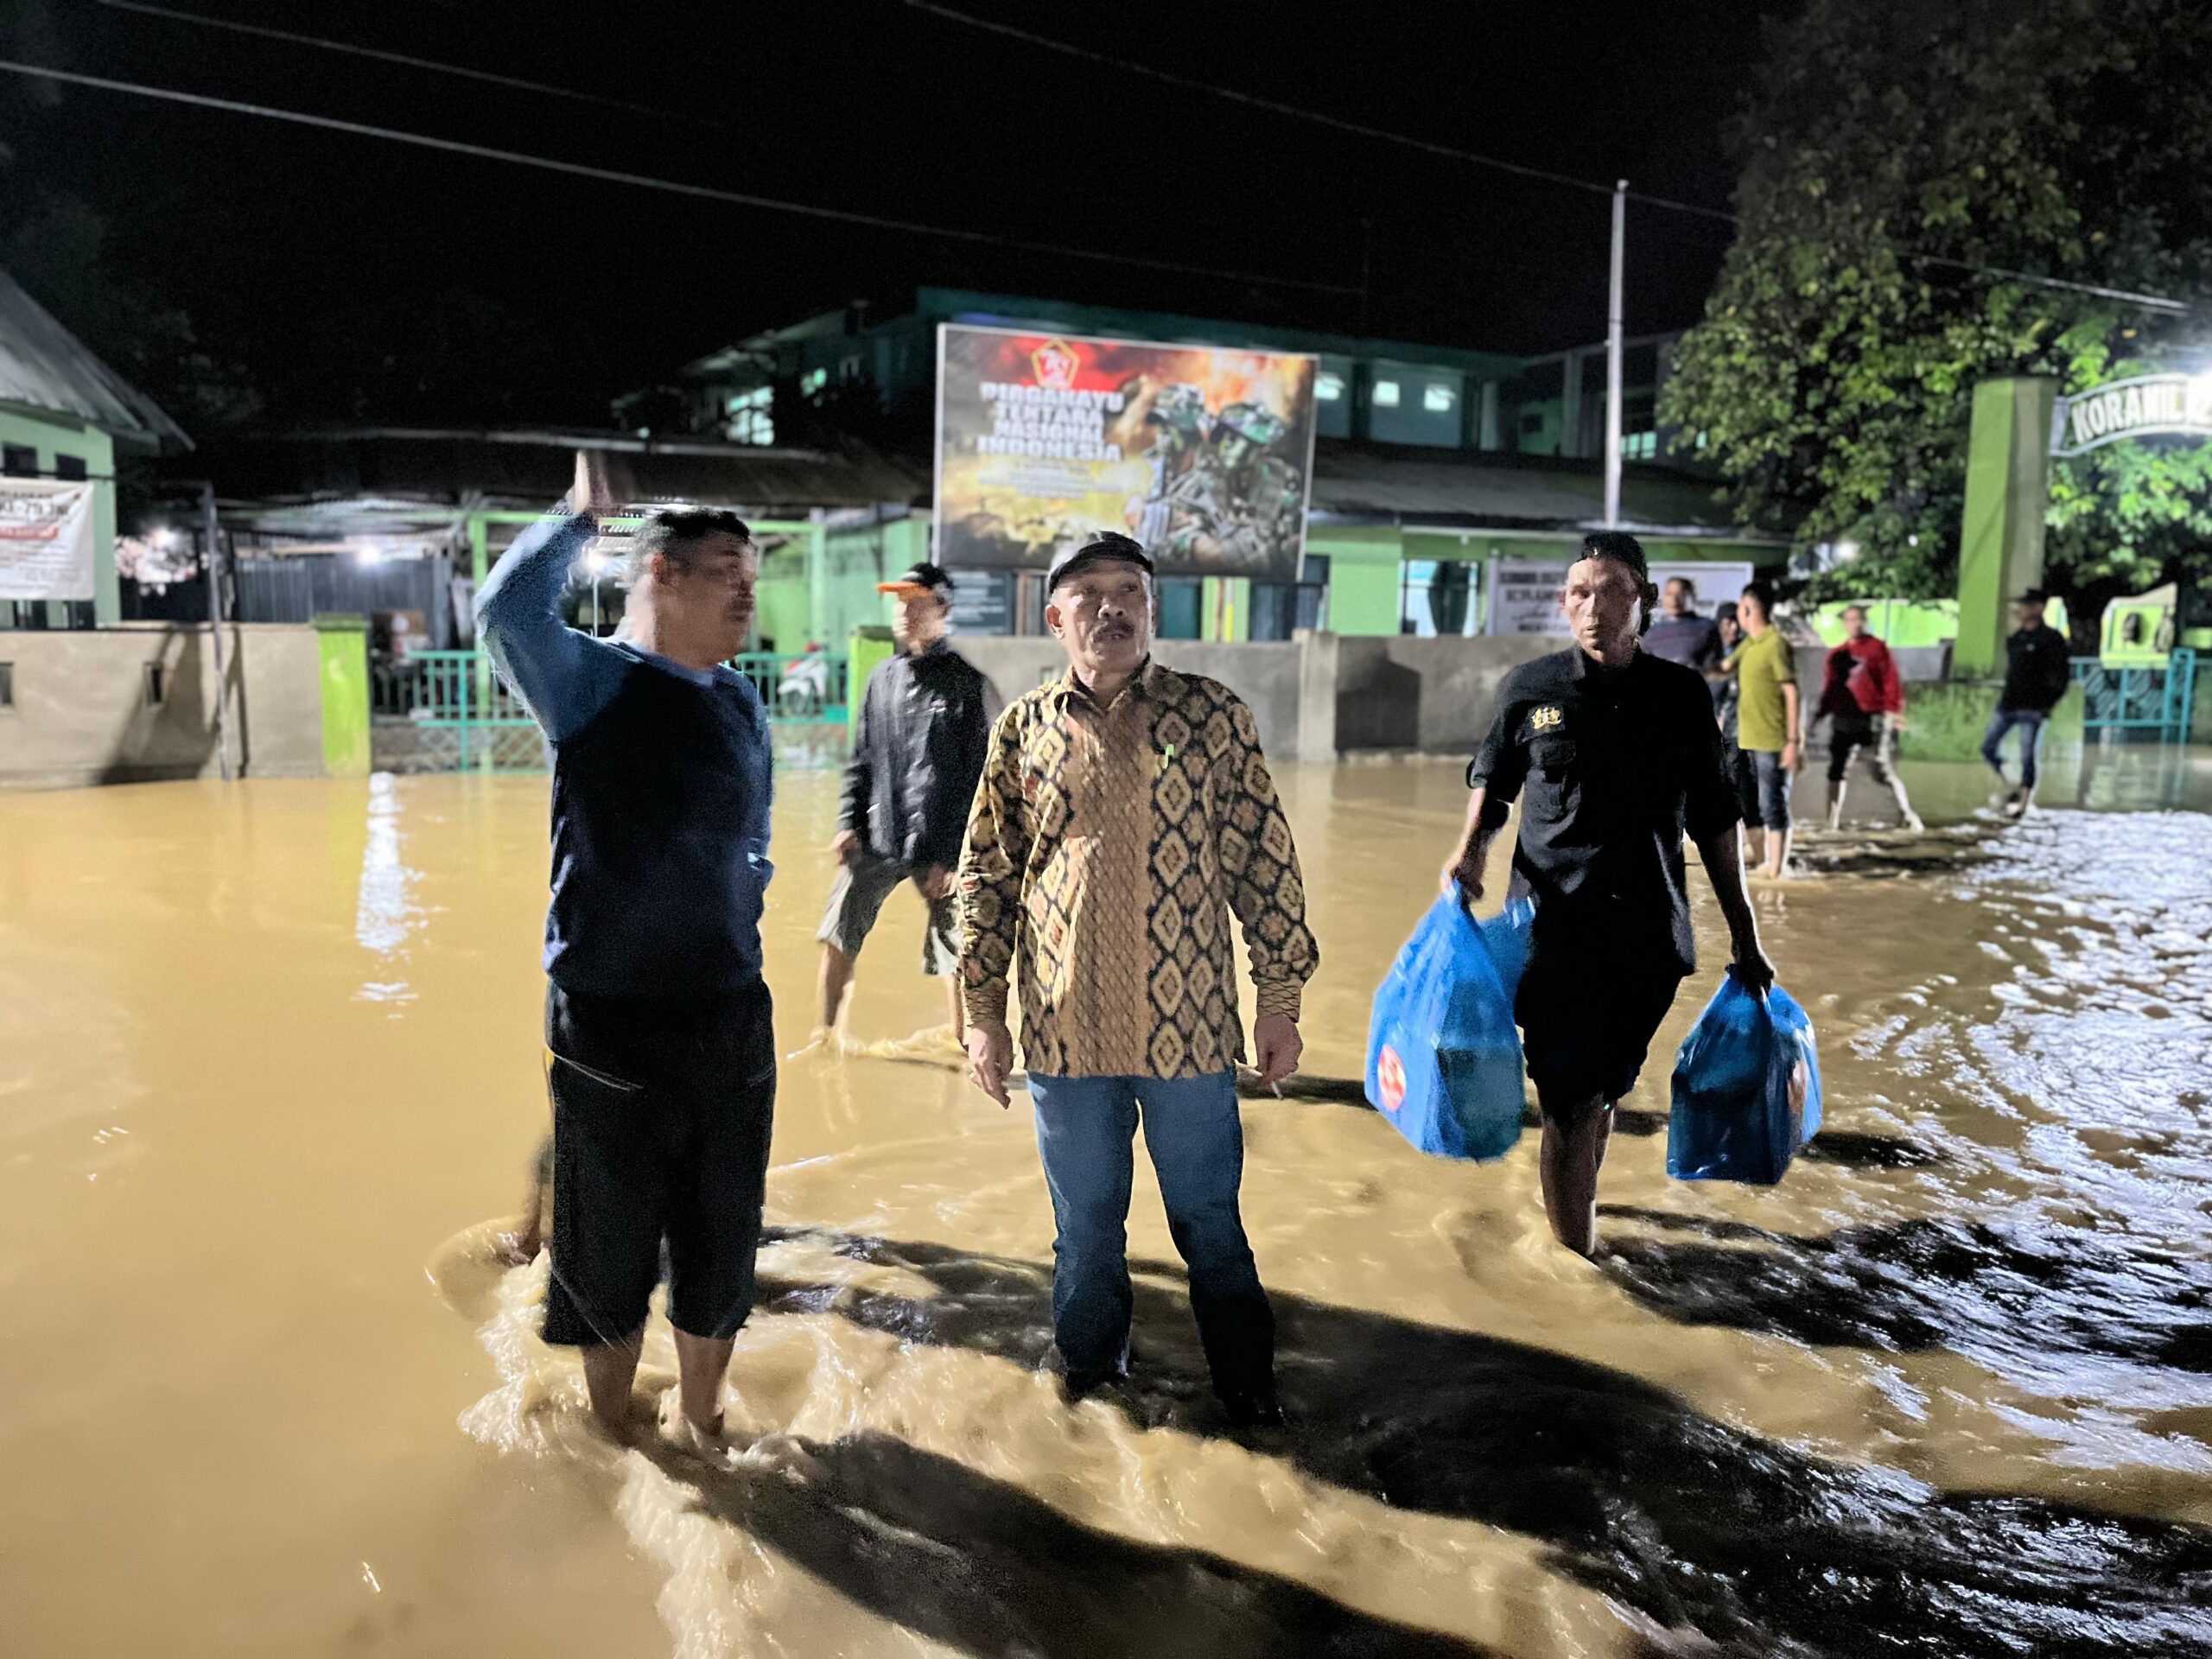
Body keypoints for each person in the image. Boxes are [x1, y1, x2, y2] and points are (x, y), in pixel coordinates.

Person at [959, 530, 1317, 1426]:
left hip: (1189, 1031)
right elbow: (987, 876)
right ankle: (1094, 1401)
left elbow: (1263, 863)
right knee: (1084, 1239)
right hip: (1063, 1034)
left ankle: (1247, 1393)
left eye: (1129, 591)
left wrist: (1278, 1001)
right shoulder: (1023, 730)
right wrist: (978, 1010)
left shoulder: (1213, 716)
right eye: (1089, 594)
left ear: (1152, 611)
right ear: (1054, 616)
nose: (1111, 608)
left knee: (1212, 1229)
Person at [475, 452, 776, 1447]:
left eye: (753, 574)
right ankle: (612, 1432)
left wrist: (741, 900)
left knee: (721, 1231)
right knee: (606, 1239)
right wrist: (574, 519)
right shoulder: (592, 681)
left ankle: (702, 1418)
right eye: (727, 570)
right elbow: (506, 616)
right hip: (609, 1014)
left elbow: (755, 839)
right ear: (663, 575)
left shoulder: (740, 702)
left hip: (732, 1008)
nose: (747, 591)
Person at [1440, 531, 1774, 1258]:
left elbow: (1716, 822)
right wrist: (1470, 852)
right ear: (1564, 603)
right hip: (1549, 935)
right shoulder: (1531, 688)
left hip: (1649, 941)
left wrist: (1746, 935)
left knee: (1606, 1090)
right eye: (1578, 593)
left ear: (1645, 599)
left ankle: (1577, 1216)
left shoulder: (1682, 698)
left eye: (1610, 590)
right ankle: (1578, 1264)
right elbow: (1493, 785)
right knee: (1568, 1100)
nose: (1591, 607)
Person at [818, 563, 999, 1045]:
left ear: (943, 608)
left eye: (916, 601)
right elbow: (862, 762)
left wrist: (955, 856)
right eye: (900, 601)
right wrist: (847, 823)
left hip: (941, 847)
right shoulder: (882, 679)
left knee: (956, 954)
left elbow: (979, 780)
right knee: (837, 935)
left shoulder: (968, 685)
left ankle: (965, 1054)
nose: (904, 611)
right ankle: (826, 1039)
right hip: (880, 835)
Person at [1817, 605, 1923, 832]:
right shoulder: (1836, 654)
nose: (1855, 624)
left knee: (1880, 767)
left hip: (1872, 718)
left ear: (1864, 621)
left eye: (1859, 619)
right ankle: (1832, 821)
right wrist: (1820, 714)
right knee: (1837, 770)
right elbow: (1830, 688)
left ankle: (1907, 814)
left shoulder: (1877, 648)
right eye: (1850, 620)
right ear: (1844, 624)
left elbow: (1890, 681)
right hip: (1843, 718)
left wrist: (1893, 711)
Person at [1723, 582, 1800, 878]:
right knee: (1753, 803)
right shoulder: (1751, 644)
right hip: (1747, 738)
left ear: (1747, 609)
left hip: (1773, 739)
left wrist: (1793, 741)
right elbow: (1723, 668)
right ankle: (1768, 863)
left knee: (1773, 803)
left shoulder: (1775, 643)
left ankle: (1777, 870)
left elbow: (1791, 692)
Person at [1982, 588, 2073, 817]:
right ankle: (2011, 782)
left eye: (2026, 605)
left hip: (2034, 709)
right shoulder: (2016, 639)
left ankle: (2023, 804)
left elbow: (2061, 678)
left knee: (2027, 755)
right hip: (2009, 704)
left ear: (2039, 607)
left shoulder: (2052, 639)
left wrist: (2047, 706)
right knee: (1988, 747)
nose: (2020, 610)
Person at [1643, 575, 1723, 672]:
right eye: (1669, 594)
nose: (1674, 599)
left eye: (1680, 594)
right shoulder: (1652, 633)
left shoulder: (1706, 628)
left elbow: (1715, 669)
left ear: (1692, 597)